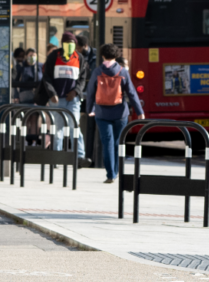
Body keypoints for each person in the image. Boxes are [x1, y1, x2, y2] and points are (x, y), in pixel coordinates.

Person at [86, 44, 143, 183]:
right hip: (120, 113)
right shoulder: (123, 72)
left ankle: (111, 174)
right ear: (116, 56)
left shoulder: (97, 71)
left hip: (101, 113)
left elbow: (90, 93)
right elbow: (132, 93)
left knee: (107, 143)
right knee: (118, 143)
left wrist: (89, 110)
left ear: (102, 56)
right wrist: (139, 111)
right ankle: (117, 171)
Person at [41, 32, 89, 165]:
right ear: (62, 44)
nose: (70, 46)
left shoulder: (79, 57)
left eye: (72, 44)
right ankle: (56, 157)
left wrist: (76, 91)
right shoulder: (53, 56)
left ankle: (79, 157)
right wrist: (52, 94)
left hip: (73, 100)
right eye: (67, 44)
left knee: (75, 128)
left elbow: (82, 78)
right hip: (57, 99)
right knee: (58, 130)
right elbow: (47, 77)